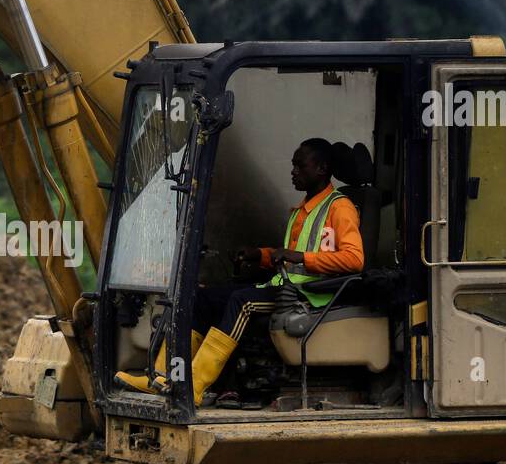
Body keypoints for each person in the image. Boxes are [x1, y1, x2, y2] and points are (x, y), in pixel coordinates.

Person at [115, 137, 364, 404]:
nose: (293, 172)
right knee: (203, 298)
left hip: (310, 296)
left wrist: (300, 257)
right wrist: (261, 255)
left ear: (322, 169)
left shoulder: (340, 207)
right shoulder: (301, 210)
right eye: (293, 165)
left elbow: (354, 259)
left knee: (241, 302)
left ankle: (194, 386)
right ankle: (163, 377)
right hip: (284, 287)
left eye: (299, 166)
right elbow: (288, 259)